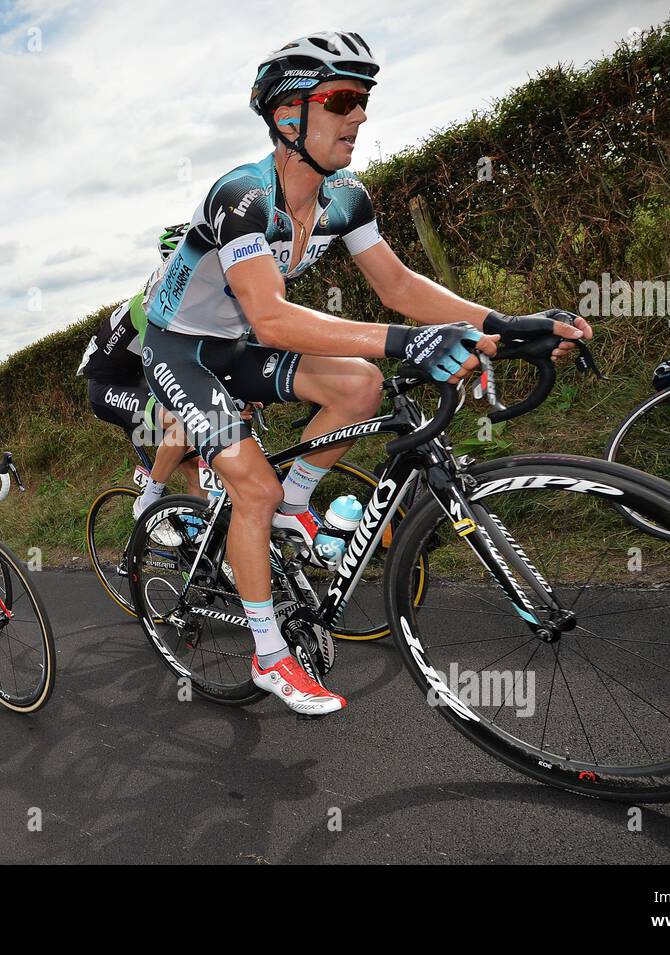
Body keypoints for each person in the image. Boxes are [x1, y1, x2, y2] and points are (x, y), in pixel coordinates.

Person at [142, 32, 592, 716]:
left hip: (237, 342)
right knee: (251, 488)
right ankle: (268, 653)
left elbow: (400, 288)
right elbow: (271, 316)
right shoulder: (242, 197)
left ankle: (296, 500)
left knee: (360, 384)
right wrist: (408, 342)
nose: (360, 117)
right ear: (286, 116)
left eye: (365, 100)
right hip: (183, 348)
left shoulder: (346, 197)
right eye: (343, 99)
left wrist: (508, 326)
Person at [77, 224, 204, 515]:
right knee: (181, 423)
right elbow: (164, 367)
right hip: (107, 388)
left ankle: (200, 542)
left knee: (196, 467)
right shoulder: (149, 306)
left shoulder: (195, 308)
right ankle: (149, 499)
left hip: (139, 379)